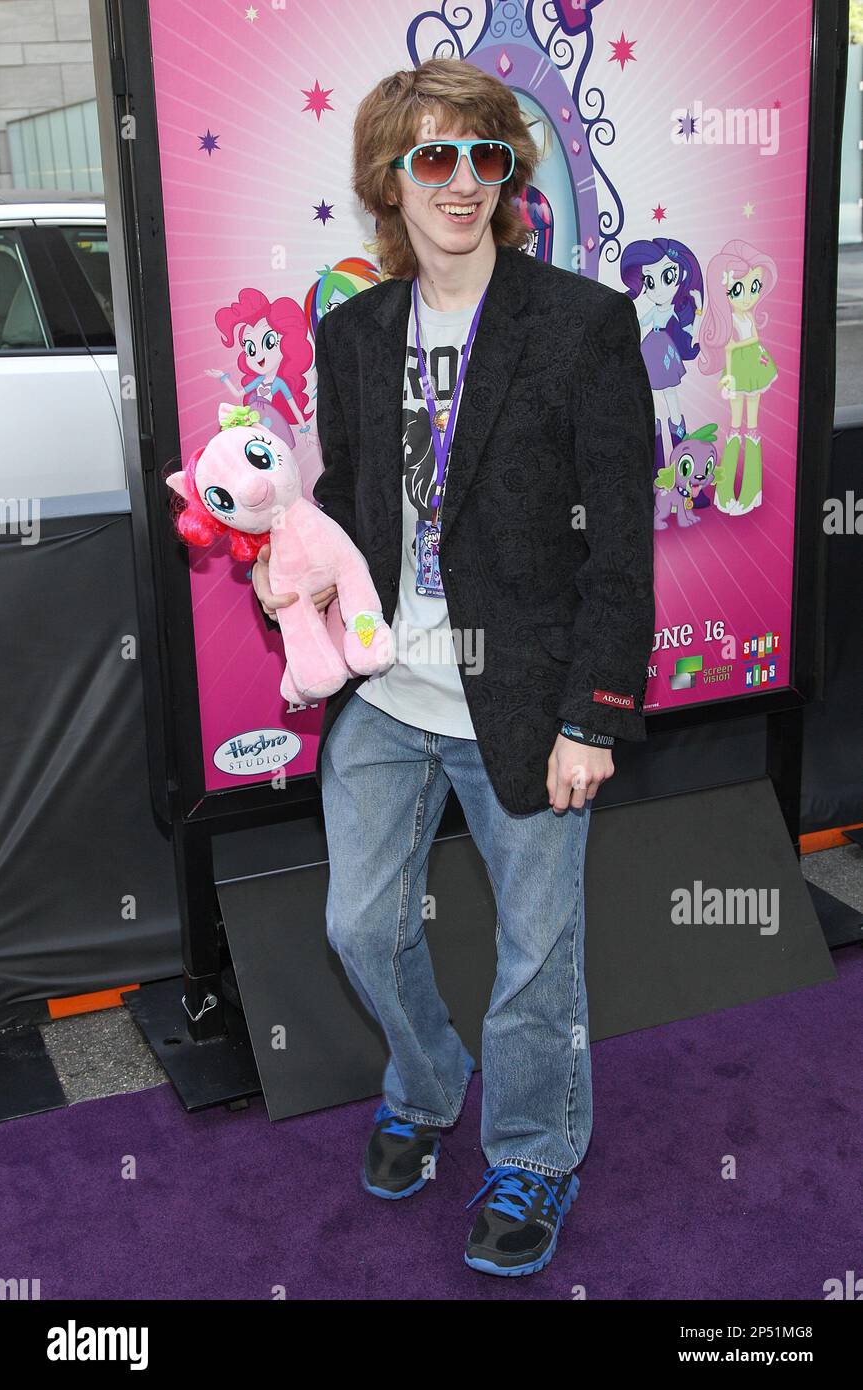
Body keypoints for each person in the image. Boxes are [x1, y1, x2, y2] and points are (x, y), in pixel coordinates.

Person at [252, 58, 655, 1278]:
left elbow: (621, 543)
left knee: (537, 958)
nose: (464, 182)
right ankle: (426, 1086)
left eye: (485, 157)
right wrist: (307, 576)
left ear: (509, 176)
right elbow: (360, 518)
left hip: (527, 703)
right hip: (388, 694)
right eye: (434, 157)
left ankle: (534, 1148)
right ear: (392, 178)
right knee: (360, 927)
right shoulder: (353, 333)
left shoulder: (580, 325)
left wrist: (591, 713)